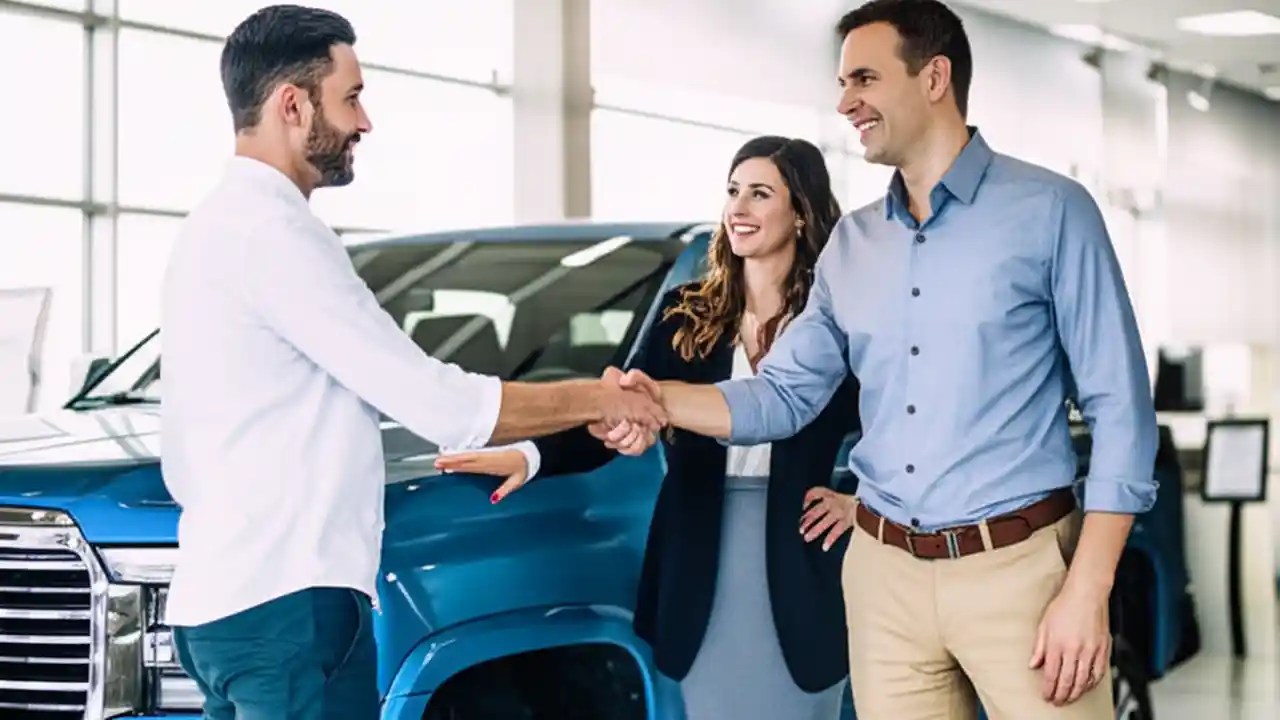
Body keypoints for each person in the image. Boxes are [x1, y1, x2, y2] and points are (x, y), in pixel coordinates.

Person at [596, 1, 1158, 718]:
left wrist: (1087, 589)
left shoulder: (1051, 211)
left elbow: (1121, 411)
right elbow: (784, 396)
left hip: (1019, 573)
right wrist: (657, 399)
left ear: (934, 77)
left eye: (864, 77)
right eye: (841, 82)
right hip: (883, 577)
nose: (844, 102)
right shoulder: (852, 246)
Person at [159, 6, 664, 719]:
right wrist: (601, 399)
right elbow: (446, 409)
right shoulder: (278, 235)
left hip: (217, 606)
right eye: (352, 97)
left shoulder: (206, 231)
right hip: (289, 608)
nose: (365, 122)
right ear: (292, 104)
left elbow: (181, 450)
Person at [436, 136, 859, 720]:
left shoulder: (836, 321)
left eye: (759, 194)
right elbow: (618, 409)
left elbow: (902, 427)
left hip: (805, 559)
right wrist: (529, 456)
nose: (738, 207)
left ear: (802, 211)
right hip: (700, 551)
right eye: (733, 191)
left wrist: (862, 502)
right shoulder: (685, 315)